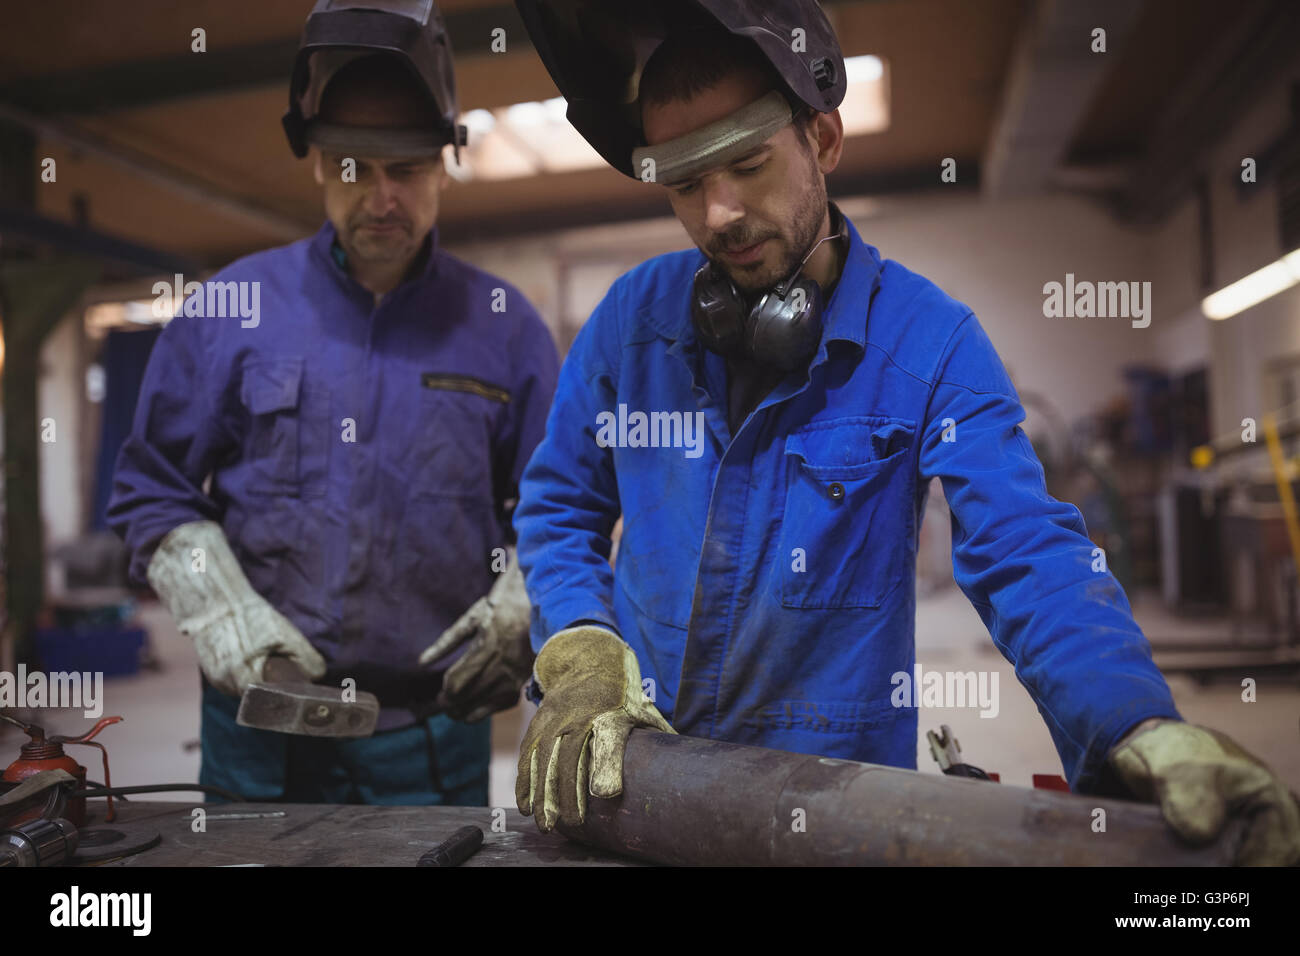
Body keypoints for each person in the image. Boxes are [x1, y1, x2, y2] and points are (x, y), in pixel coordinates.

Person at [509, 0, 1299, 864]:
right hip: (642, 795)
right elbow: (558, 507)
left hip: (833, 815)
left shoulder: (931, 343)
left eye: (747, 164)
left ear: (825, 140)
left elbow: (1026, 550)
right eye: (686, 184)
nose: (719, 214)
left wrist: (1135, 720)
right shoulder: (633, 322)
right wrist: (581, 646)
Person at [109, 0, 558, 805]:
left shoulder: (504, 328)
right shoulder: (230, 310)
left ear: (446, 162)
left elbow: (562, 501)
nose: (382, 196)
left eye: (409, 169)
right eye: (354, 167)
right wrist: (218, 610)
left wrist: (527, 596)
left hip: (431, 741)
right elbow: (152, 489)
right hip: (259, 733)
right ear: (314, 161)